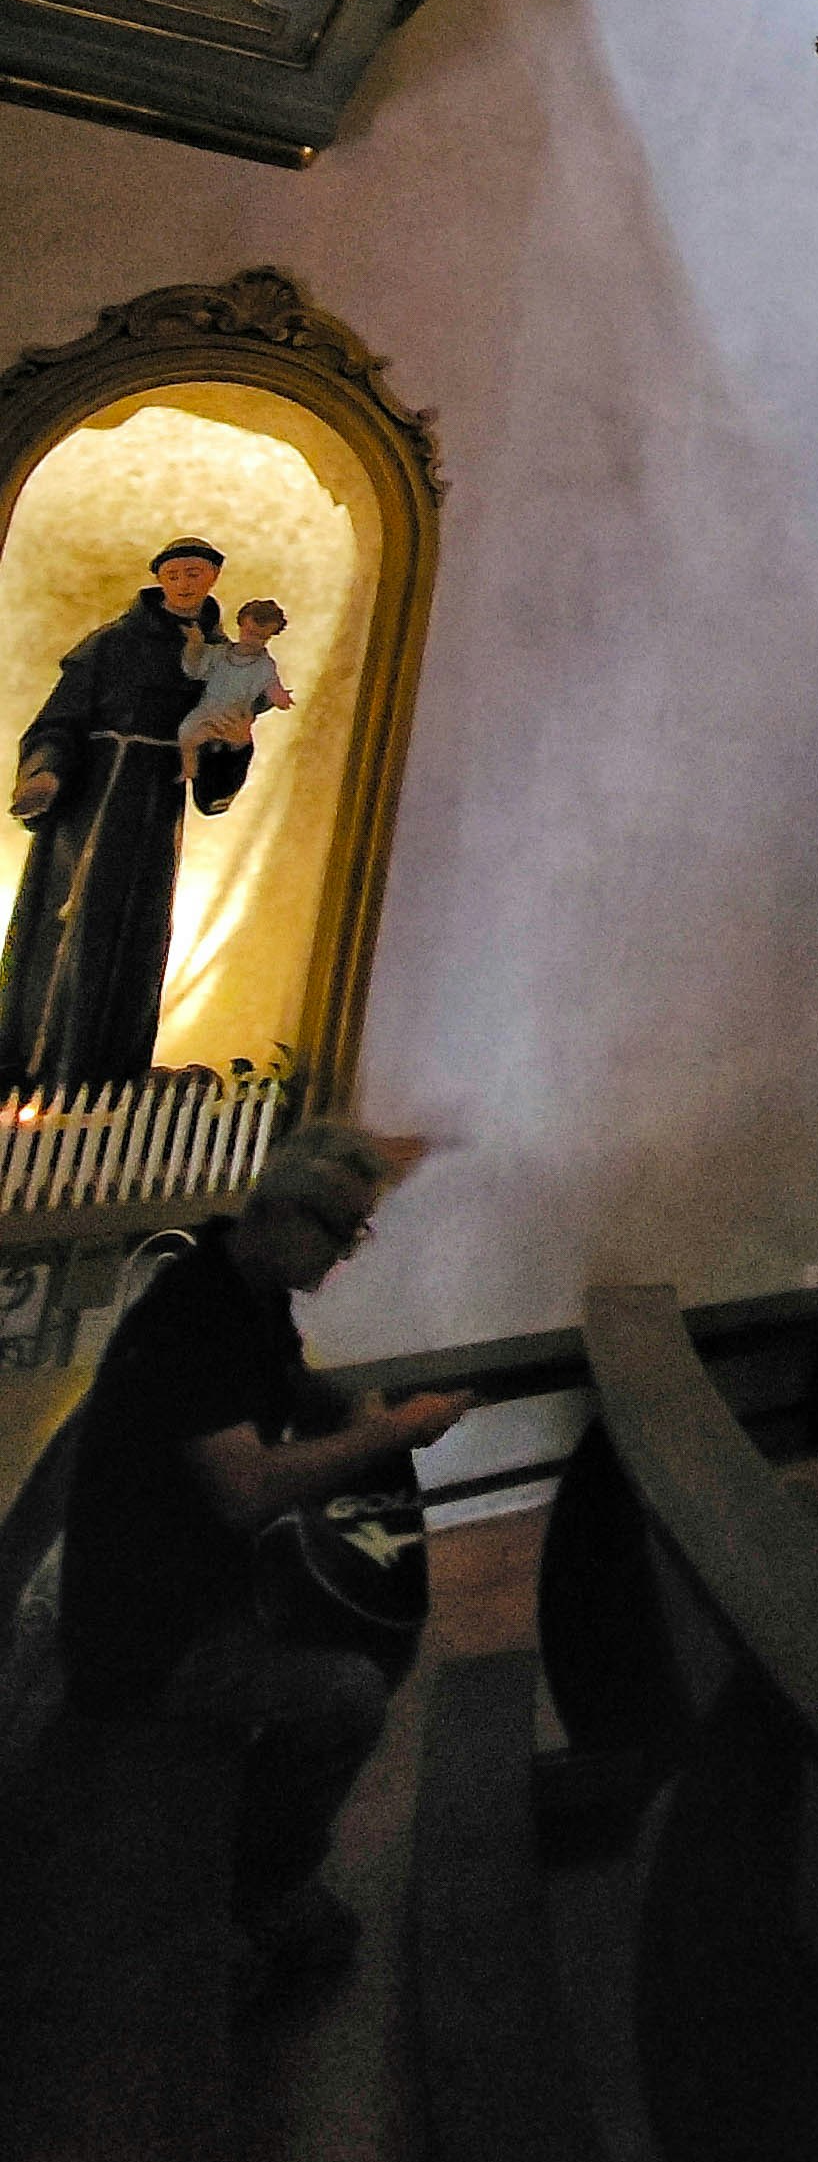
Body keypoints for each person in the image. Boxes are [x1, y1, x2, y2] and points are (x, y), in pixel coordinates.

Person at [59, 1122, 461, 1992]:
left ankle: (254, 1842)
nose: (347, 1252)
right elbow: (244, 1490)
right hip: (142, 1636)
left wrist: (351, 1406)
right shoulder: (194, 1318)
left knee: (362, 1625)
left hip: (190, 1590)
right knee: (347, 1692)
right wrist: (391, 1429)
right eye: (340, 1229)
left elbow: (289, 1385)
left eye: (357, 1231)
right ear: (278, 1211)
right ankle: (269, 1894)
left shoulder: (242, 1288)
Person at [2, 538, 251, 1089]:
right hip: (91, 799)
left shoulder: (225, 662)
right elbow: (58, 720)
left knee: (137, 934)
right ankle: (33, 1069)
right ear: (159, 580)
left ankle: (107, 1078)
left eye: (195, 573)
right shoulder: (111, 644)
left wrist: (234, 747)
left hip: (155, 807)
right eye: (174, 573)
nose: (184, 583)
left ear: (213, 579)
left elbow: (215, 758)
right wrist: (46, 772)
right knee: (69, 923)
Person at [182, 596, 293, 790]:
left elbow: (270, 685)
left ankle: (218, 763)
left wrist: (278, 696)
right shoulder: (220, 653)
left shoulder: (264, 666)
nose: (252, 640)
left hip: (235, 713)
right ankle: (189, 768)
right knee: (187, 732)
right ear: (241, 626)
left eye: (261, 637)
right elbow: (195, 670)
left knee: (226, 739)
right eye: (250, 632)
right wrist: (195, 645)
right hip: (209, 707)